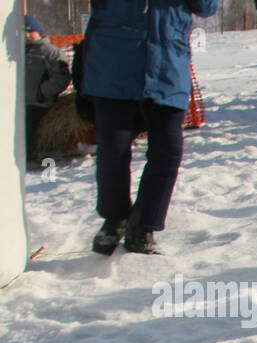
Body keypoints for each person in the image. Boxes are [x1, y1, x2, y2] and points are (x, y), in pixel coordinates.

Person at [81, 0, 218, 256]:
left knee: (168, 150)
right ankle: (115, 218)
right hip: (113, 63)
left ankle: (144, 225)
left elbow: (207, 7)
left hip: (167, 63)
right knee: (114, 149)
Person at [23, 15, 72, 160]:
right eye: (23, 32)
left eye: (30, 31)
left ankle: (32, 158)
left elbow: (61, 77)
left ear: (38, 32)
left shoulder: (51, 52)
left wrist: (42, 93)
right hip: (21, 103)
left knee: (29, 130)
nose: (26, 36)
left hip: (39, 103)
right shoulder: (19, 52)